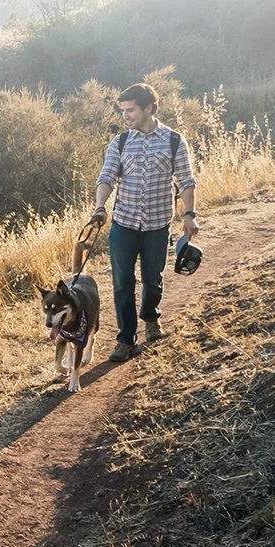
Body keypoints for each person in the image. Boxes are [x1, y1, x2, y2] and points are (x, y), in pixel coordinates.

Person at [92, 82, 199, 362]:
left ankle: (151, 317)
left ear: (149, 108)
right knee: (122, 283)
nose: (125, 116)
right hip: (123, 225)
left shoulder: (174, 140)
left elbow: (186, 180)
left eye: (130, 110)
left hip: (157, 226)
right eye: (123, 111)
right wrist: (100, 207)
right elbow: (106, 178)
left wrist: (190, 214)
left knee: (153, 280)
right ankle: (126, 340)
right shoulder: (121, 142)